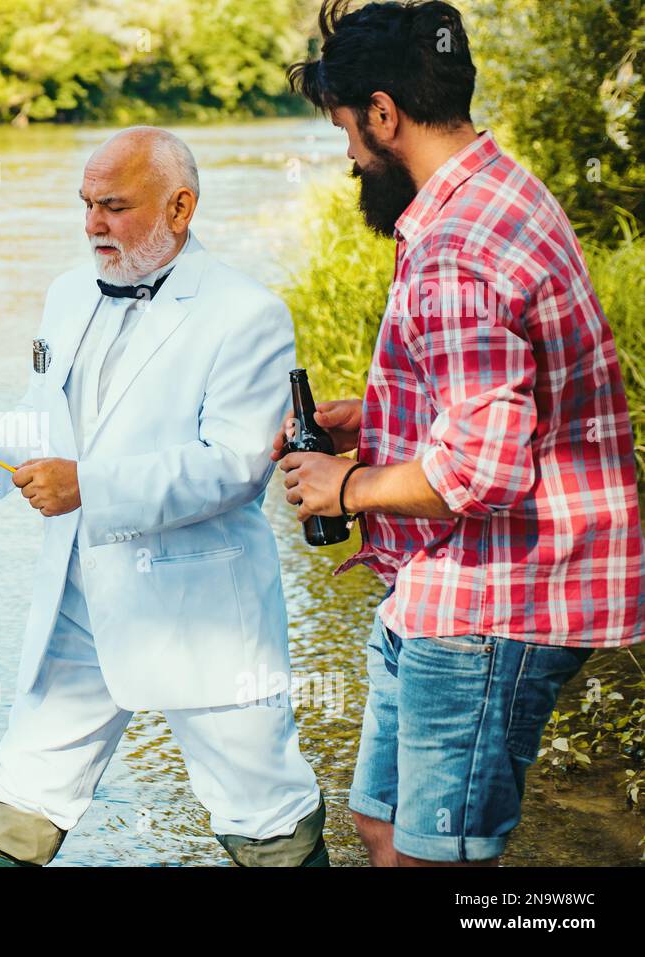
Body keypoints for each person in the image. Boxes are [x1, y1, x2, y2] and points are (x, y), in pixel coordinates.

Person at [277, 0, 645, 865]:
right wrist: (373, 419)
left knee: (437, 858)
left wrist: (350, 485)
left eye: (347, 132)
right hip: (444, 582)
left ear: (382, 113)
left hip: (501, 593)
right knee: (379, 823)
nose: (348, 157)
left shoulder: (454, 245)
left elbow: (482, 470)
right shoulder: (490, 188)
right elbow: (505, 393)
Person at [0, 126, 327, 867]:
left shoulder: (248, 313)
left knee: (266, 820)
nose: (92, 223)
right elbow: (45, 414)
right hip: (80, 601)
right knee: (14, 801)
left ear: (180, 206)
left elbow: (232, 467)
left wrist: (87, 485)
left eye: (114, 206)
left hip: (203, 617)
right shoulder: (66, 293)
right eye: (86, 204)